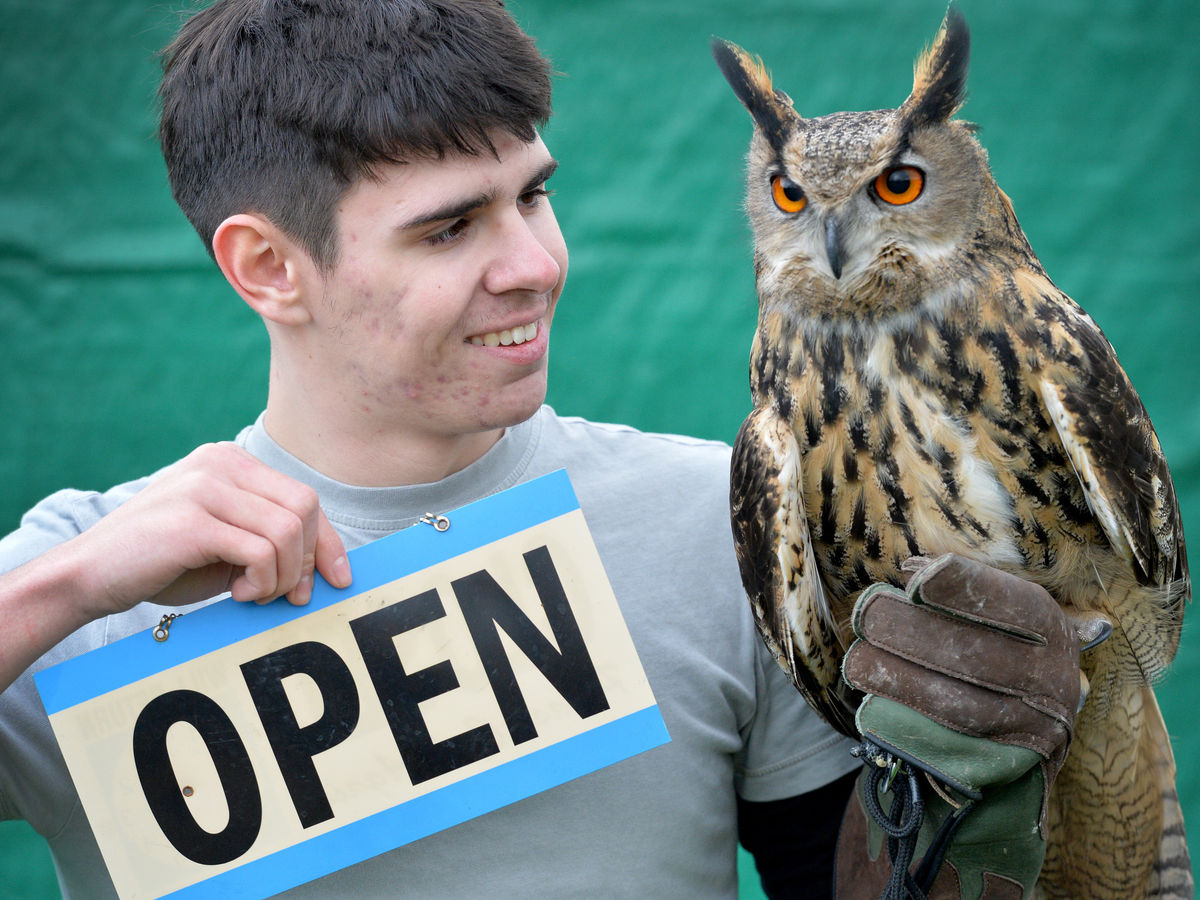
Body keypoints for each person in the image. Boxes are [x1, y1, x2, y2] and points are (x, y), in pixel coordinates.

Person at [0, 1, 1082, 897]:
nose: (534, 263)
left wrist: (959, 811)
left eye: (534, 195)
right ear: (269, 268)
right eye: (448, 228)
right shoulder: (82, 586)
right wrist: (65, 592)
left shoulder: (725, 520)